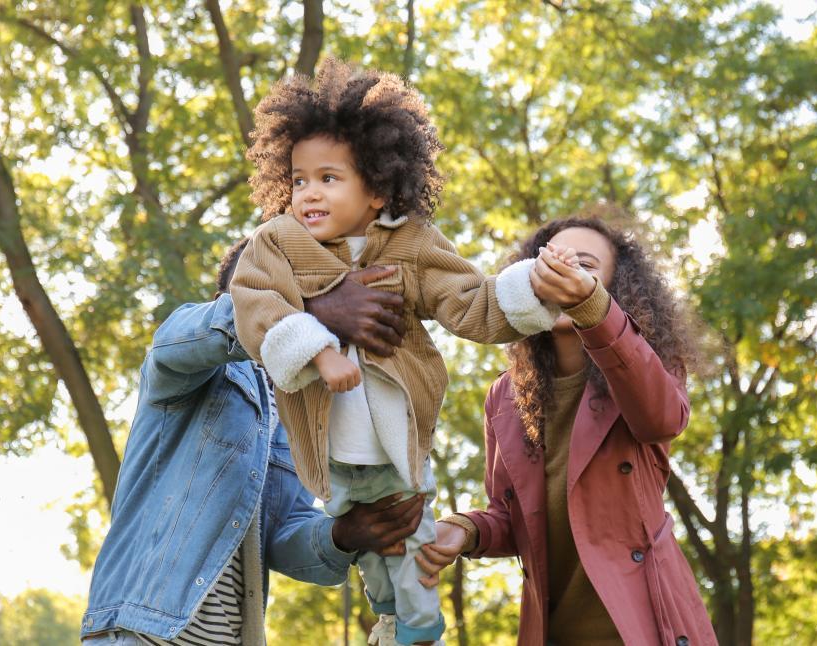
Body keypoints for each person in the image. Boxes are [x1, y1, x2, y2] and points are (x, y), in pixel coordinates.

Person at [229, 58, 570, 646]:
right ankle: (388, 620)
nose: (309, 192)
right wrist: (321, 351)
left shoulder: (409, 244)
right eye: (300, 178)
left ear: (378, 186)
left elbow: (470, 302)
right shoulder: (276, 244)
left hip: (395, 439)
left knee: (411, 537)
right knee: (371, 551)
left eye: (329, 178)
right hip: (330, 449)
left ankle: (419, 631)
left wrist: (531, 290)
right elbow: (257, 306)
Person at [80, 238, 425, 646]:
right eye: (271, 289)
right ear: (224, 299)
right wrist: (305, 313)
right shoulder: (191, 360)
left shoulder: (300, 404)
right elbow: (173, 344)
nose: (290, 302)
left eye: (302, 287)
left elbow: (281, 532)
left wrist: (344, 535)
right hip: (142, 631)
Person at [416, 211, 718, 646]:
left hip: (648, 625)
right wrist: (465, 530)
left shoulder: (646, 368)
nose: (563, 271)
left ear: (615, 290)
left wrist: (592, 310)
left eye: (585, 265)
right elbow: (512, 516)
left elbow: (660, 419)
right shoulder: (505, 397)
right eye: (549, 261)